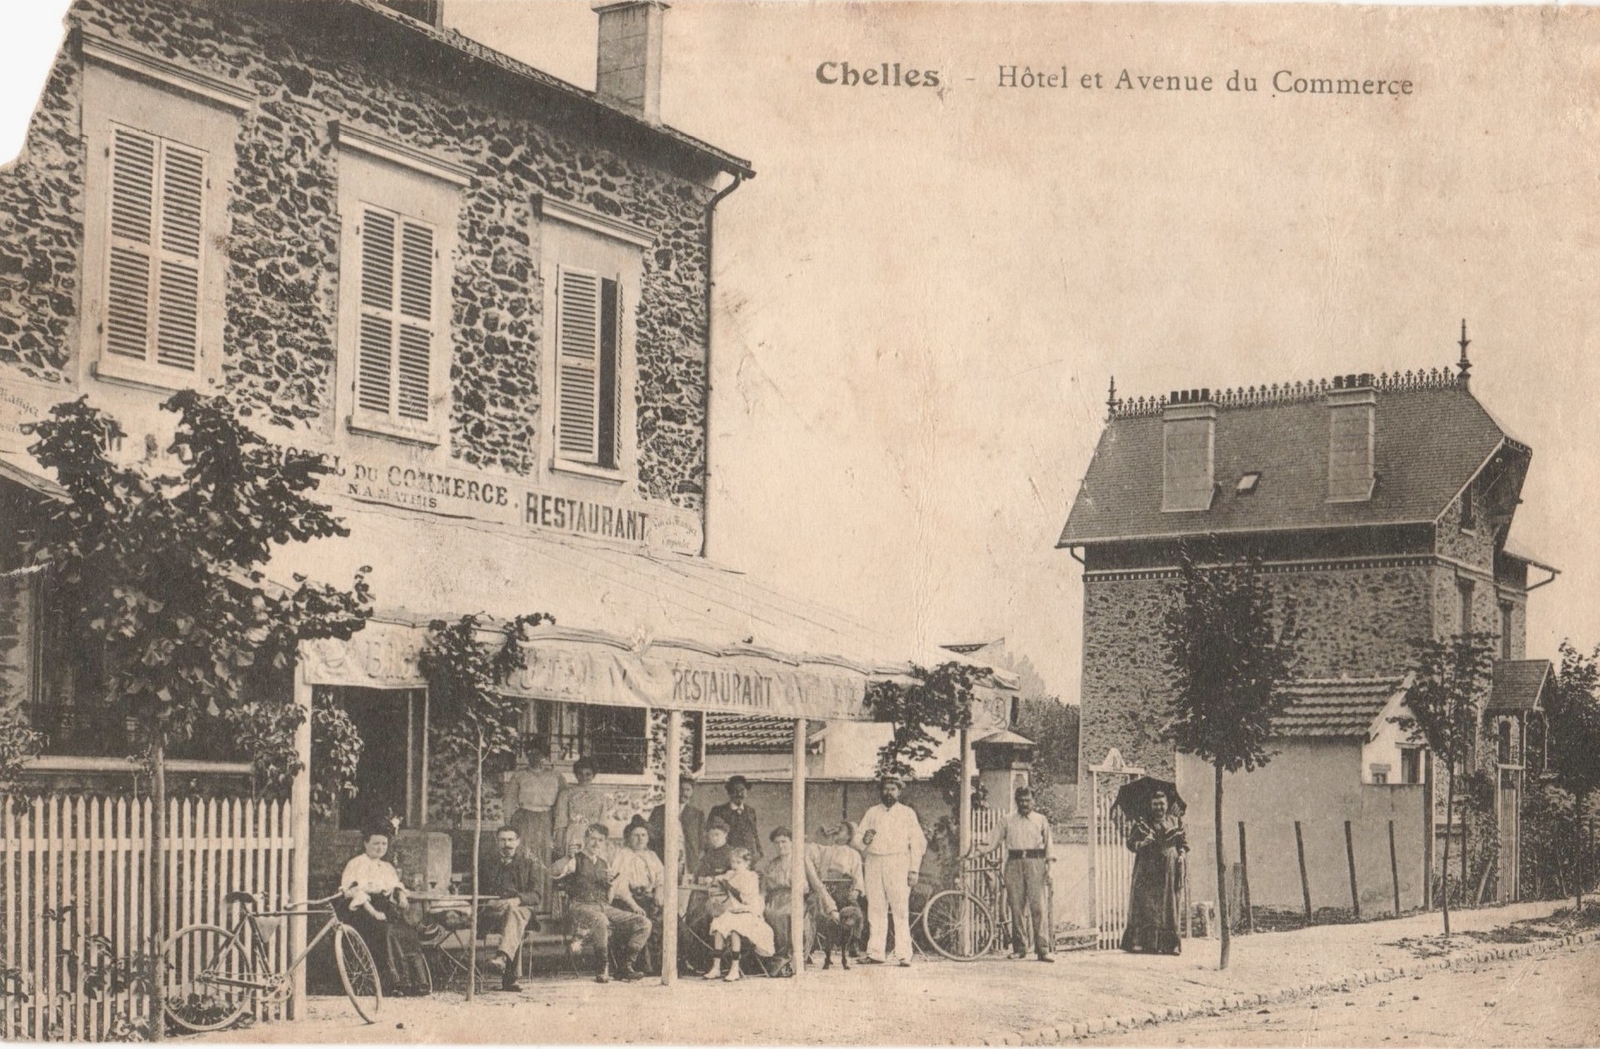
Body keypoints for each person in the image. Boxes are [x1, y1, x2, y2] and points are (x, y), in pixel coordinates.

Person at [552, 822, 652, 982]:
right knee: (601, 919)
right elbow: (553, 872)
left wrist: (611, 885)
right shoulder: (575, 859)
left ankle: (626, 966)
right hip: (579, 907)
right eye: (592, 838)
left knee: (644, 923)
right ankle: (602, 967)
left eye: (600, 840)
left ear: (604, 842)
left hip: (603, 907)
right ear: (585, 838)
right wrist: (567, 857)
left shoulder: (603, 863)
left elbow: (609, 899)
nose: (596, 843)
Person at [337, 829, 430, 996]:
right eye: (376, 843)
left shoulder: (386, 866)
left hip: (385, 906)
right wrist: (373, 912)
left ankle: (417, 982)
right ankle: (396, 983)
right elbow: (352, 891)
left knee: (407, 932)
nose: (380, 847)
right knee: (387, 932)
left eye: (384, 844)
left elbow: (396, 884)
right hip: (362, 911)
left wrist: (401, 894)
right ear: (365, 844)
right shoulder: (356, 864)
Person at [854, 773, 926, 967]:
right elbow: (857, 840)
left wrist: (914, 870)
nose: (888, 792)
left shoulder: (907, 813)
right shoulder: (872, 812)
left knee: (900, 908)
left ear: (899, 791)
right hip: (874, 862)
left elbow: (918, 843)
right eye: (885, 788)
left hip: (898, 862)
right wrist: (864, 841)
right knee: (876, 908)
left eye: (893, 789)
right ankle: (876, 952)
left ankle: (904, 954)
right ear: (881, 790)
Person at [979, 786, 1055, 962]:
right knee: (1016, 907)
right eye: (1021, 800)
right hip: (1013, 864)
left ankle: (1043, 949)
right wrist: (974, 852)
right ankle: (1019, 948)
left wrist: (1050, 869)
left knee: (1038, 907)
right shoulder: (1007, 820)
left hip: (1036, 864)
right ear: (1016, 801)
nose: (1024, 804)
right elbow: (992, 842)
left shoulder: (1041, 820)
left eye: (1027, 800)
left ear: (1033, 801)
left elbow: (1049, 846)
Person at [1120, 791, 1187, 955]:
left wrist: (1182, 855)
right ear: (1150, 805)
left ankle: (1170, 945)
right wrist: (1143, 842)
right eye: (1155, 804)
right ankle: (1142, 943)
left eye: (1162, 804)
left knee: (1168, 903)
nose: (1159, 807)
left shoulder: (1175, 820)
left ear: (1166, 804)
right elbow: (1130, 844)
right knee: (1145, 903)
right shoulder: (1143, 822)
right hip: (1147, 867)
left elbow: (1183, 843)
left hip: (1168, 868)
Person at [759, 827, 836, 965]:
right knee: (766, 914)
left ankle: (789, 956)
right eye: (777, 843)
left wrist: (831, 908)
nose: (780, 846)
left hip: (796, 900)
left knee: (781, 915)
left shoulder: (802, 860)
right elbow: (763, 890)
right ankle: (771, 956)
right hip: (774, 900)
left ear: (792, 842)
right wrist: (758, 905)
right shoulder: (772, 864)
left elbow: (817, 884)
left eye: (784, 842)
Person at [479, 826, 543, 992]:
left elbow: (537, 895)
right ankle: (510, 979)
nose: (506, 844)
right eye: (502, 840)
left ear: (518, 842)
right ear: (497, 841)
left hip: (521, 911)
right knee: (514, 926)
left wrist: (518, 899)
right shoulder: (486, 863)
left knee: (514, 915)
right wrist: (489, 901)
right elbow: (476, 889)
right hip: (494, 913)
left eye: (510, 840)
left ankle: (501, 958)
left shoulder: (529, 864)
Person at [703, 847, 773, 981]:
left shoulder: (751, 877)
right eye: (733, 862)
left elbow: (743, 898)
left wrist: (727, 885)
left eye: (739, 862)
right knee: (719, 927)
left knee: (735, 929)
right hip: (733, 912)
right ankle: (716, 967)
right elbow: (717, 879)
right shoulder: (730, 874)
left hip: (748, 912)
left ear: (747, 863)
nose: (735, 865)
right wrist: (711, 879)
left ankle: (734, 968)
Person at [612, 816, 666, 963]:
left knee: (672, 918)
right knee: (643, 919)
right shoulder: (622, 854)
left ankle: (664, 964)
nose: (640, 839)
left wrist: (660, 890)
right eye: (636, 835)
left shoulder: (652, 855)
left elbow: (662, 875)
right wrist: (633, 905)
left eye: (643, 835)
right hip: (629, 900)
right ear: (628, 838)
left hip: (650, 897)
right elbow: (619, 885)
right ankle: (643, 964)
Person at [501, 738, 562, 863]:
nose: (534, 757)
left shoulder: (555, 776)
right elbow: (509, 800)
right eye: (531, 754)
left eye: (538, 754)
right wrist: (508, 823)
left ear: (545, 755)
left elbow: (563, 801)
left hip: (547, 819)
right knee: (524, 853)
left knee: (544, 854)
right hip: (525, 818)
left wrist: (558, 824)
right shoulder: (520, 775)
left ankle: (541, 883)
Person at [646, 773, 706, 876]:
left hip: (688, 858)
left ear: (692, 792)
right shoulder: (659, 811)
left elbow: (701, 839)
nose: (684, 793)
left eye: (688, 790)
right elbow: (651, 837)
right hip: (664, 856)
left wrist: (696, 856)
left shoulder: (697, 813)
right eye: (681, 789)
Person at [553, 757, 611, 858]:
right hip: (573, 835)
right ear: (576, 774)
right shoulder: (566, 794)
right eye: (580, 774)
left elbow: (602, 822)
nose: (584, 777)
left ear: (593, 775)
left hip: (593, 836)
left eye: (588, 774)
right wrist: (559, 843)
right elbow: (561, 821)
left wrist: (603, 841)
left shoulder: (600, 796)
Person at [707, 775, 761, 860]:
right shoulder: (718, 810)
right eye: (735, 791)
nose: (739, 794)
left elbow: (754, 832)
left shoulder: (750, 811)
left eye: (742, 790)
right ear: (729, 793)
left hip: (748, 856)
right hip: (727, 858)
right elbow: (710, 835)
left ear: (746, 792)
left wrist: (759, 850)